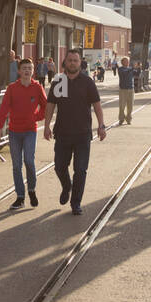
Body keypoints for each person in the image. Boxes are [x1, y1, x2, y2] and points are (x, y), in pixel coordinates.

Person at [43, 49, 106, 215]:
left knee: (80, 170)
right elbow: (50, 105)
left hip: (83, 134)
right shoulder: (58, 81)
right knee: (59, 167)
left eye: (75, 60)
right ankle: (66, 186)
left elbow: (97, 106)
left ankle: (76, 202)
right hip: (63, 133)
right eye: (69, 60)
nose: (72, 63)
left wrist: (101, 125)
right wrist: (46, 125)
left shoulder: (87, 82)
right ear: (65, 63)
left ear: (80, 63)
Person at [0, 57, 48, 210]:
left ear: (33, 71)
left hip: (30, 131)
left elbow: (46, 107)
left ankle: (31, 190)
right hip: (14, 131)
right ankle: (20, 196)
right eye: (24, 68)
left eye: (29, 68)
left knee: (29, 161)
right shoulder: (12, 88)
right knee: (16, 165)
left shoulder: (37, 87)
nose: (27, 71)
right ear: (19, 71)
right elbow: (4, 108)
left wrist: (36, 117)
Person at [117, 56, 135, 125]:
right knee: (122, 105)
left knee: (130, 106)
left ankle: (128, 119)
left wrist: (138, 68)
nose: (128, 62)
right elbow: (124, 73)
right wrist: (132, 68)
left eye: (128, 61)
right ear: (122, 62)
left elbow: (136, 73)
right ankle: (121, 119)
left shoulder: (130, 69)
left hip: (131, 89)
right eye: (126, 61)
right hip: (123, 90)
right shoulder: (120, 69)